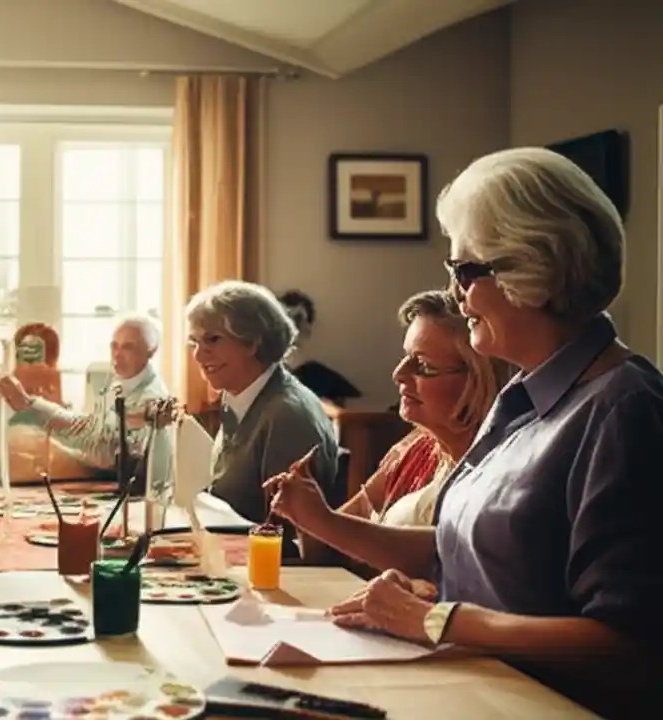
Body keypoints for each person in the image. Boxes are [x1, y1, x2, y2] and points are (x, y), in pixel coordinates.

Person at [268, 148, 663, 718]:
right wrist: (330, 528)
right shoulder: (524, 396)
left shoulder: (623, 411)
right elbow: (459, 550)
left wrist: (436, 619)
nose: (456, 294)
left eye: (465, 271)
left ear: (536, 269)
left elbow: (631, 646)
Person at [274, 290, 511, 564]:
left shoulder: (495, 472)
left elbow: (444, 567)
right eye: (405, 356)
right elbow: (328, 547)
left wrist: (320, 519)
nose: (398, 373)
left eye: (423, 365)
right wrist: (304, 510)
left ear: (479, 381)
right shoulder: (417, 447)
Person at [185, 280, 338, 529]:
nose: (199, 356)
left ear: (252, 343)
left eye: (213, 339)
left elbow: (284, 534)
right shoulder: (239, 396)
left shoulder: (286, 416)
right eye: (194, 342)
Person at [0, 313, 172, 489]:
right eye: (114, 346)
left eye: (128, 347)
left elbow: (105, 453)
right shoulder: (121, 382)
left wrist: (31, 409)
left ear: (151, 351)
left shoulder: (151, 399)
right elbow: (88, 426)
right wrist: (30, 405)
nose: (117, 355)